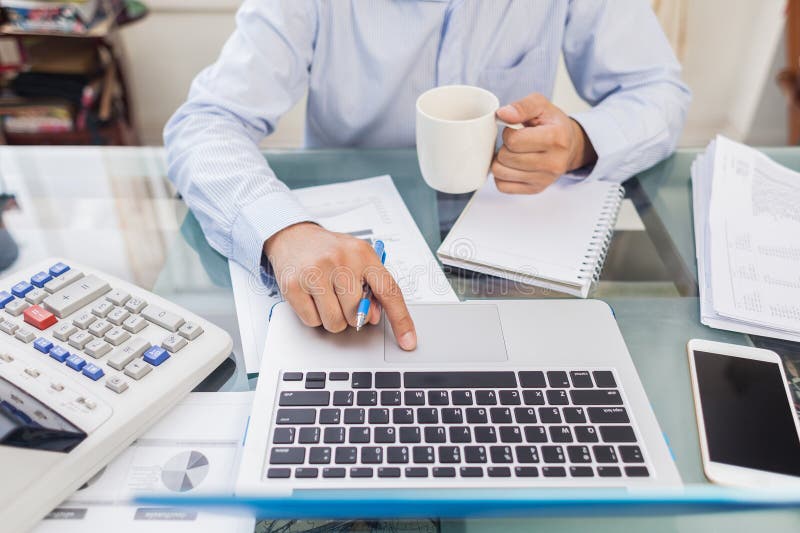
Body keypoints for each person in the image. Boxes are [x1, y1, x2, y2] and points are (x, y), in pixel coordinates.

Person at [164, 0, 691, 351]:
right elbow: (204, 123)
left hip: (507, 256)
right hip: (343, 245)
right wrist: (284, 231)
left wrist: (578, 138)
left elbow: (658, 93)